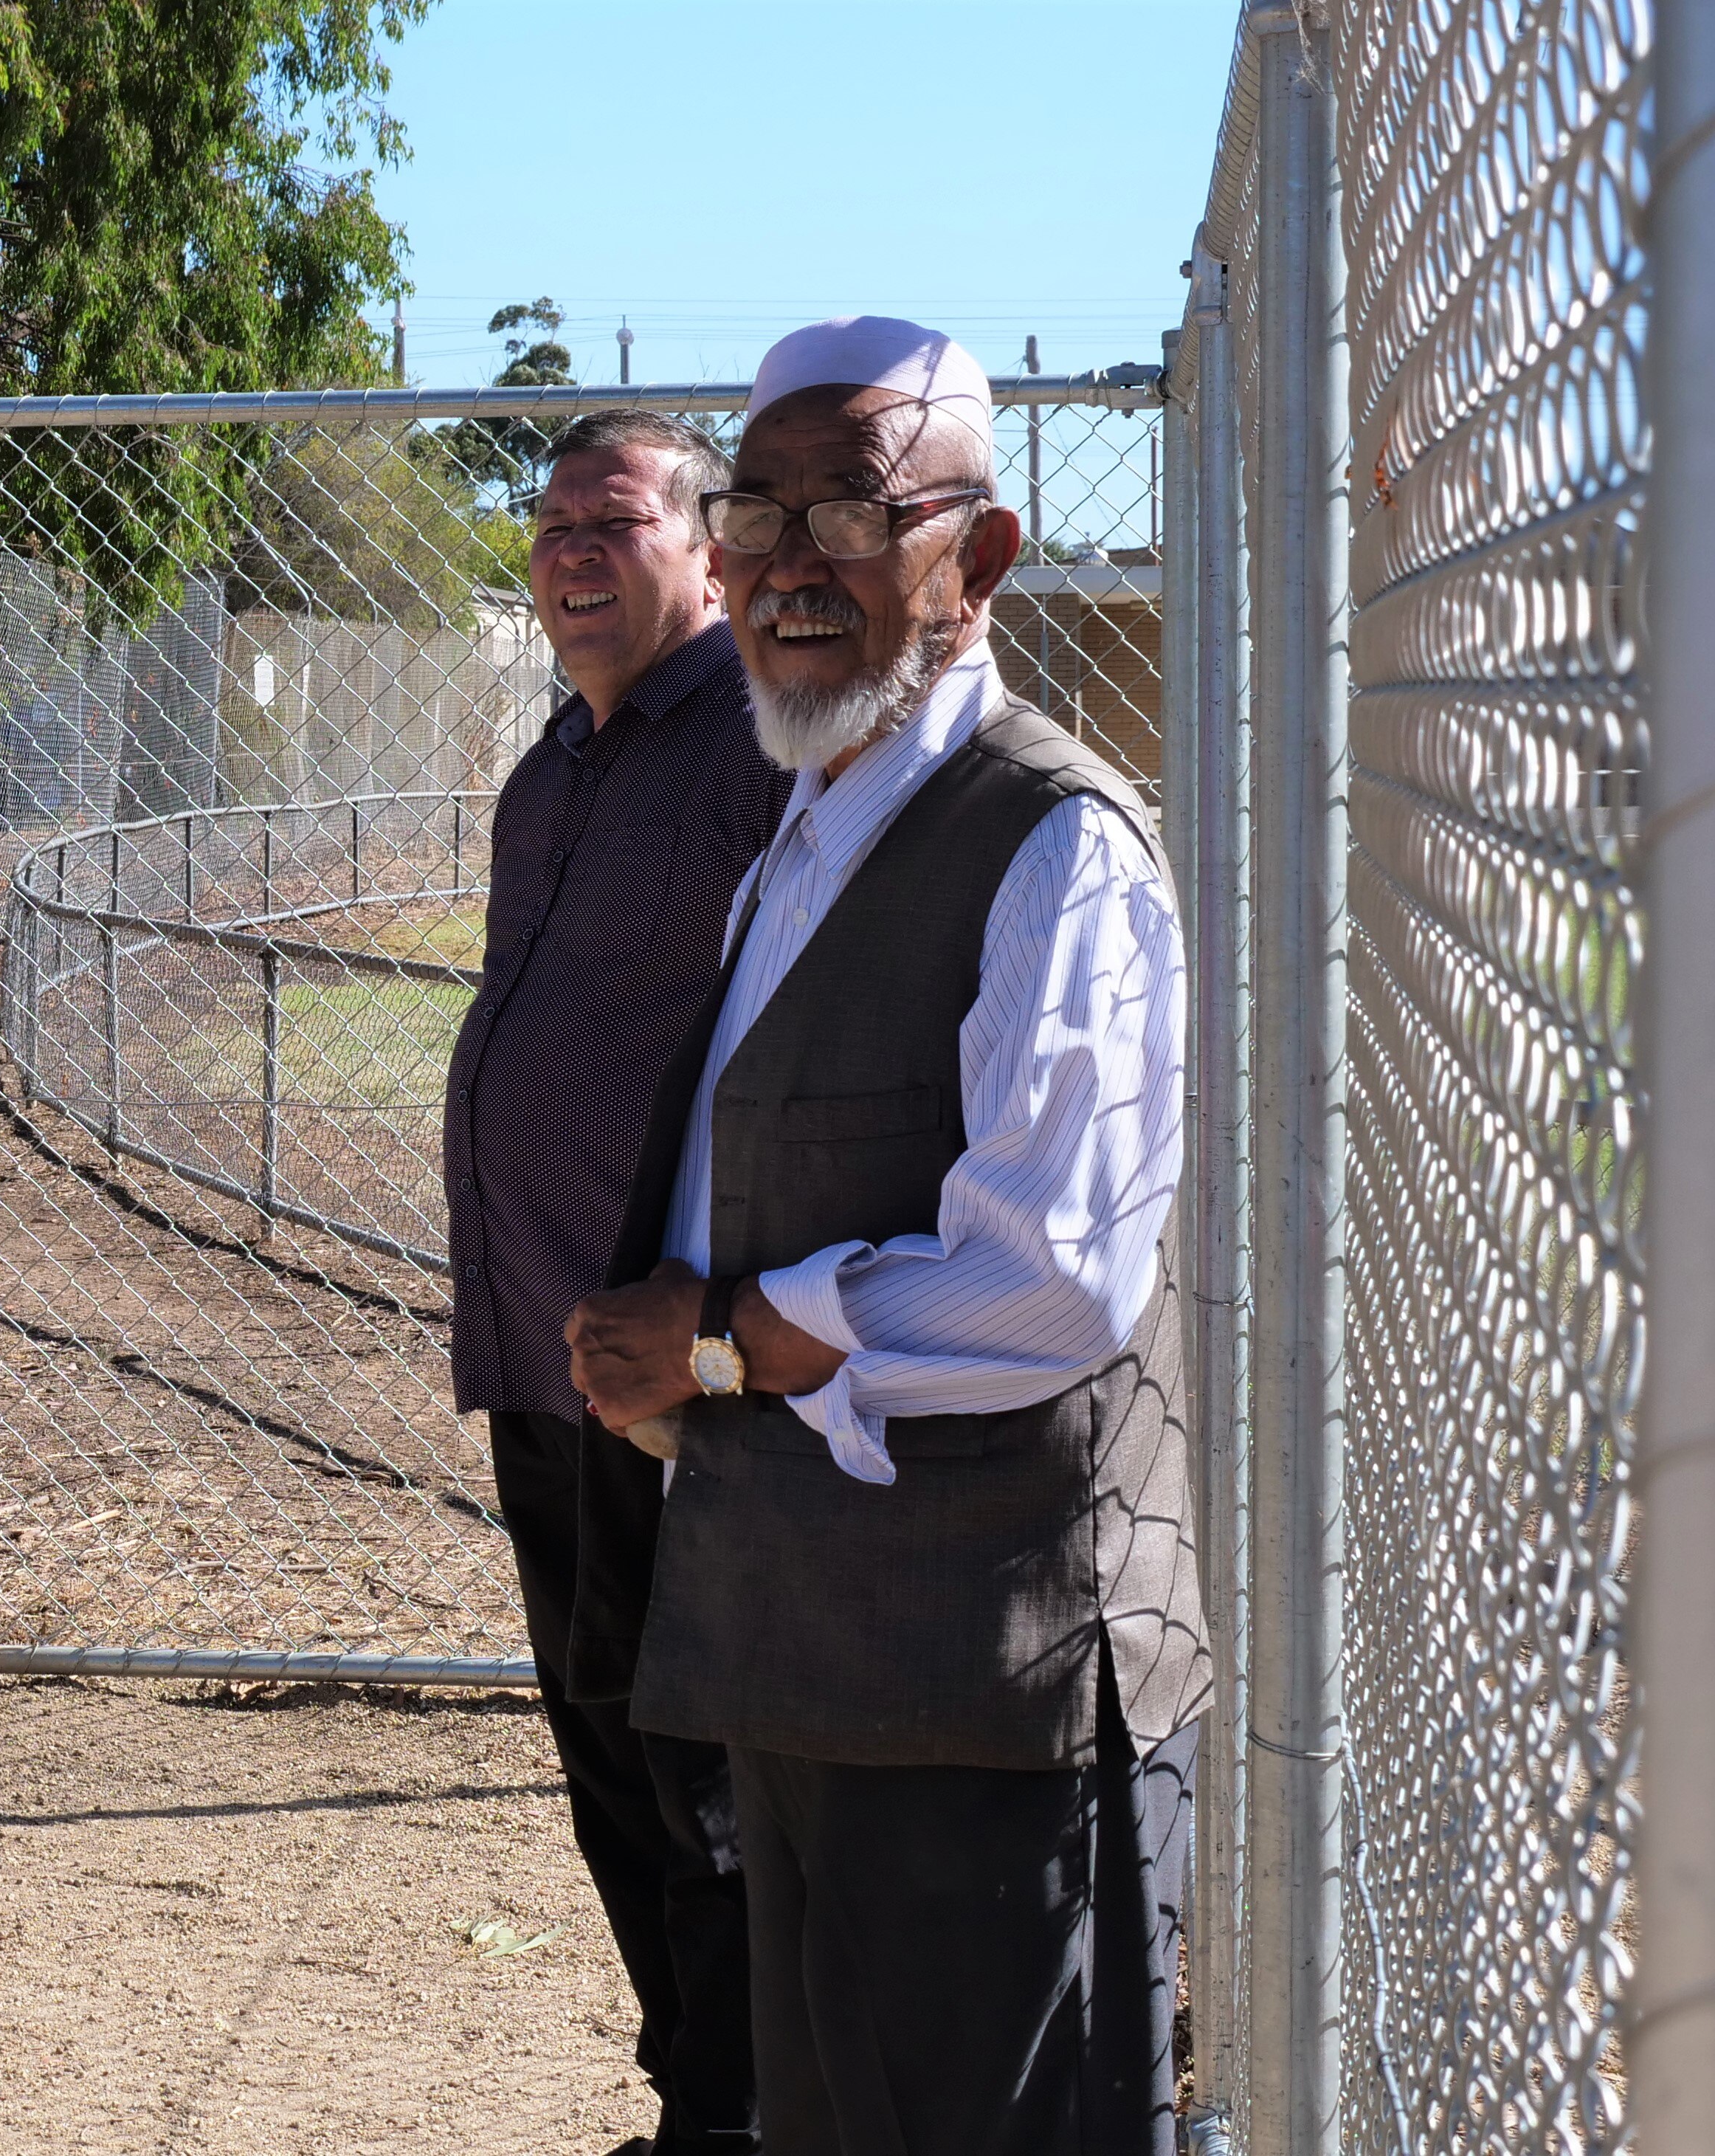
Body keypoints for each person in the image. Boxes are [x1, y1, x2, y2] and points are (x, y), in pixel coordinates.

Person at [565, 317, 1208, 2155]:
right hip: (811, 1650)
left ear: (975, 554)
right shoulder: (820, 811)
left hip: (980, 1695)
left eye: (844, 513)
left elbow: (1056, 1274)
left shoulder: (1049, 842)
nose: (781, 567)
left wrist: (711, 1341)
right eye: (749, 515)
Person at [444, 407, 790, 2156]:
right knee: (597, 1741)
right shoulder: (550, 770)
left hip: (675, 1367)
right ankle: (688, 2105)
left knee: (700, 1765)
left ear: (708, 550)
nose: (575, 547)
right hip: (535, 1348)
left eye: (619, 519)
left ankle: (740, 2117)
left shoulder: (753, 737)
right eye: (553, 522)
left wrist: (722, 1319)